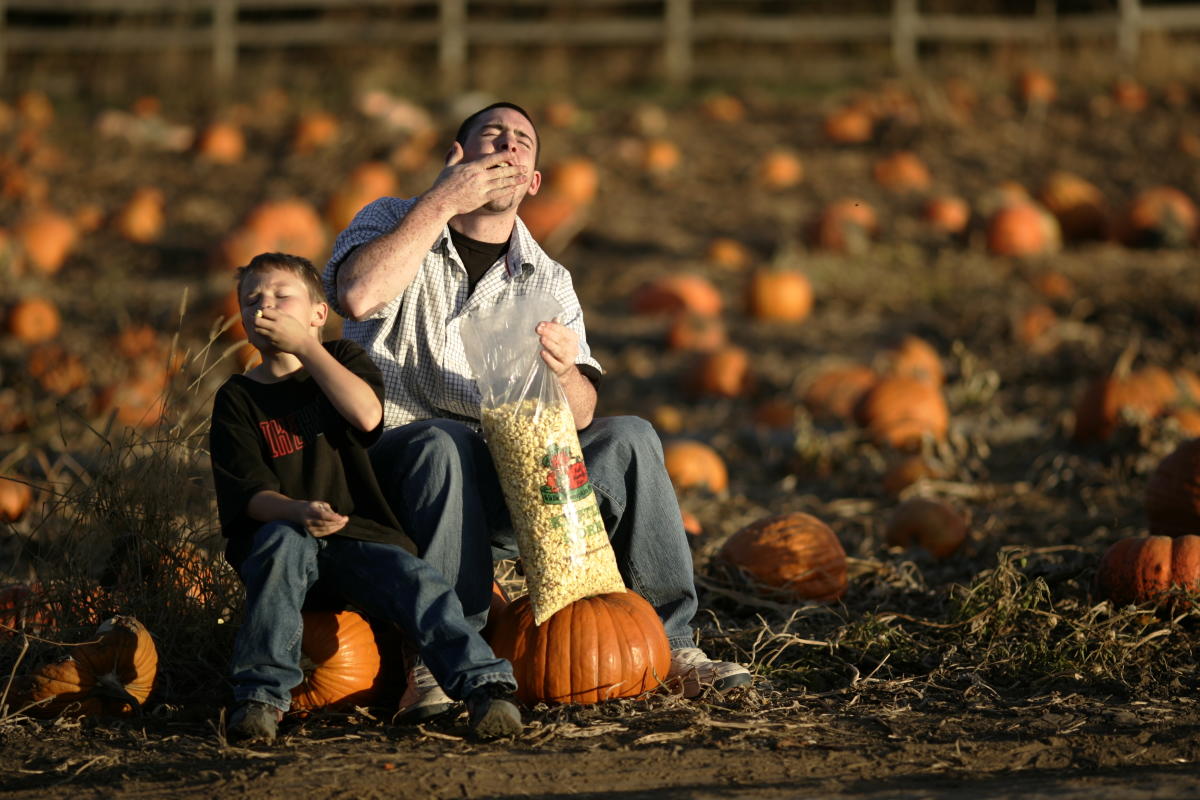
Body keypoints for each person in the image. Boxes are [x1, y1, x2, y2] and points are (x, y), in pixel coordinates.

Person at [323, 102, 752, 719]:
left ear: (533, 181)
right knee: (444, 441)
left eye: (522, 141)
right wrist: (442, 201)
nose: (507, 145)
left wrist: (564, 371)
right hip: (397, 470)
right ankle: (445, 659)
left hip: (506, 479)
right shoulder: (392, 220)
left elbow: (580, 414)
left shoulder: (548, 280)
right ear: (457, 156)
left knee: (629, 436)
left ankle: (673, 643)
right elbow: (359, 296)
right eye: (490, 136)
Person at [209, 251, 523, 743]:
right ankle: (259, 700)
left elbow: (367, 417)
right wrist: (296, 512)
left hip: (356, 533)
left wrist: (309, 351)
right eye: (252, 299)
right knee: (280, 545)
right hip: (284, 537)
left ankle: (486, 689)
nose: (264, 305)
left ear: (317, 314)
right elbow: (247, 494)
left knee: (419, 582)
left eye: (280, 296)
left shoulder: (344, 362)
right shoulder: (237, 399)